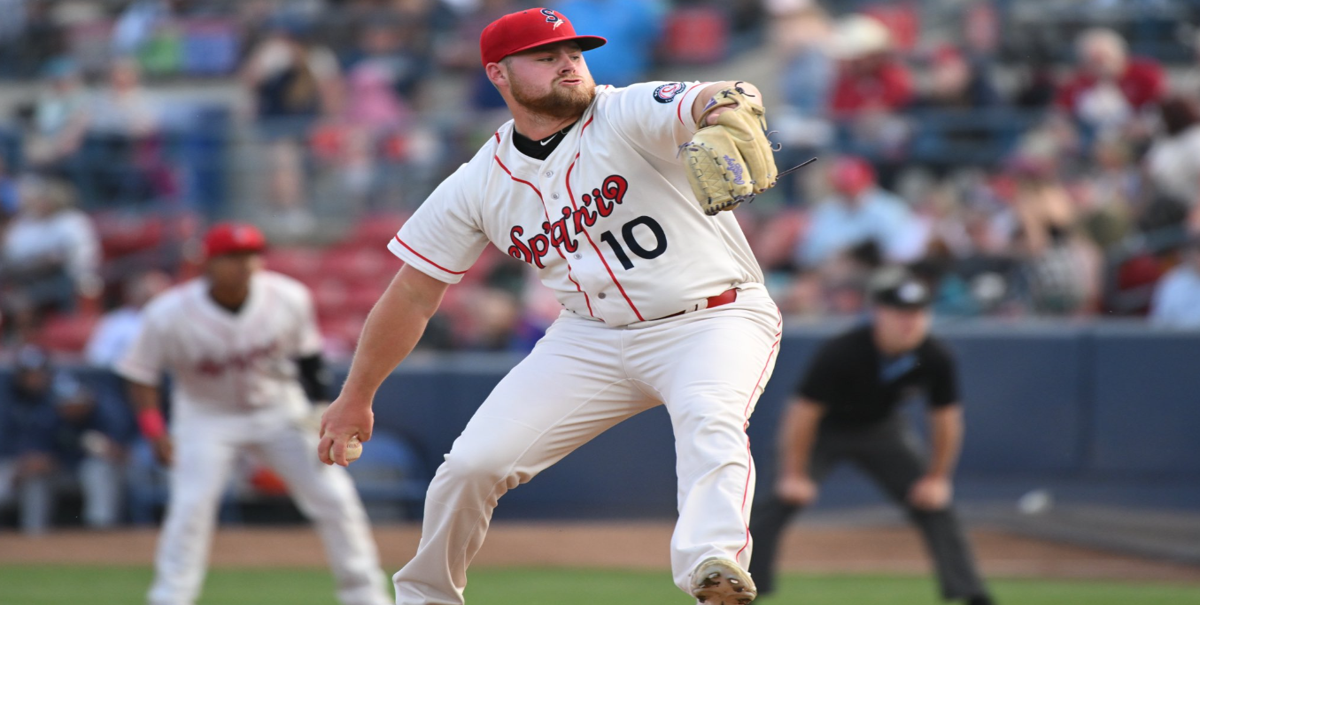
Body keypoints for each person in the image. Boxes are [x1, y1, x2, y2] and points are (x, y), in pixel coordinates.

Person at [318, 7, 784, 605]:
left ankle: (713, 565)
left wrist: (726, 113)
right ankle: (425, 598)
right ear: (498, 75)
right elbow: (411, 294)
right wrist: (356, 395)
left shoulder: (624, 111)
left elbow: (721, 94)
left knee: (709, 416)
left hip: (713, 317)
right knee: (470, 468)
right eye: (546, 56)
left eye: (573, 53)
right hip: (589, 336)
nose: (568, 64)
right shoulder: (479, 181)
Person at [115, 222, 391, 605]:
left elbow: (309, 361)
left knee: (335, 498)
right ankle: (170, 598)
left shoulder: (288, 297)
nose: (244, 264)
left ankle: (366, 596)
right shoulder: (168, 313)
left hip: (278, 409)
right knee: (190, 508)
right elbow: (140, 375)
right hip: (205, 416)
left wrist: (318, 409)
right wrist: (155, 430)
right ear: (208, 262)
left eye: (251, 255)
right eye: (232, 257)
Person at [749, 271, 993, 604]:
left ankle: (972, 595)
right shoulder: (844, 350)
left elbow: (947, 421)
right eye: (900, 313)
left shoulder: (936, 356)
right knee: (777, 501)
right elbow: (802, 415)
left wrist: (937, 478)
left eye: (918, 314)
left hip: (881, 430)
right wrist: (793, 474)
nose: (909, 323)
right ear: (879, 314)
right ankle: (745, 591)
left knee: (936, 504)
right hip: (824, 431)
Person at [0, 346, 61, 534]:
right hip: (7, 464)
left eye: (39, 373)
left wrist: (50, 459)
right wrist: (20, 465)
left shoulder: (57, 403)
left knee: (36, 481)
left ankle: (35, 543)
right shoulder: (5, 402)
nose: (35, 378)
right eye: (29, 374)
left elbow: (68, 442)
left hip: (45, 467)